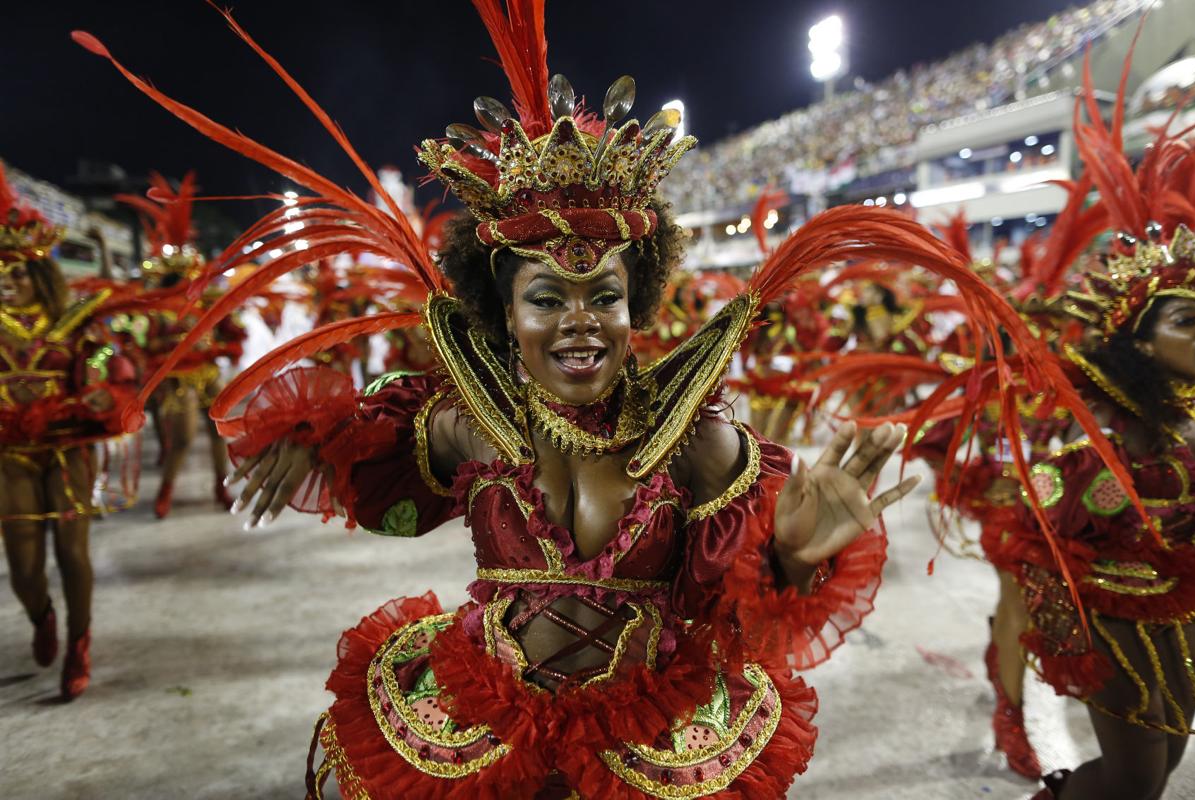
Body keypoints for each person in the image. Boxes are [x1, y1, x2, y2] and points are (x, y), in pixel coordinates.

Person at [75, 2, 1117, 795]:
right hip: (480, 716)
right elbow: (394, 504)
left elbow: (737, 604)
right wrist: (322, 438)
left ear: (637, 295)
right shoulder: (462, 416)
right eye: (546, 295)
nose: (579, 319)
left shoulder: (699, 435)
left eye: (603, 293)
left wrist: (799, 548)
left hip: (649, 730)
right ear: (501, 303)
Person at [1002, 49, 1195, 799]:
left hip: (1187, 623)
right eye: (1186, 320)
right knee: (1134, 784)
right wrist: (1070, 641)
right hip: (1115, 626)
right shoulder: (1105, 442)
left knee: (1165, 773)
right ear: (1141, 342)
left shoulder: (1193, 426)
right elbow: (1039, 538)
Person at [0, 164, 137, 699]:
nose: (6, 284)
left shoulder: (77, 321)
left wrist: (97, 389)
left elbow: (108, 359)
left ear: (39, 275)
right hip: (11, 454)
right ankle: (42, 616)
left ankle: (79, 643)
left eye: (15, 273)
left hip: (67, 450)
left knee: (72, 553)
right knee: (24, 566)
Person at [117, 172, 245, 517]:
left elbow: (230, 330)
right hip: (178, 377)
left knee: (221, 430)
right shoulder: (157, 308)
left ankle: (221, 487)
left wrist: (229, 338)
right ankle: (166, 492)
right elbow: (142, 340)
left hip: (206, 371)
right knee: (184, 439)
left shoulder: (204, 303)